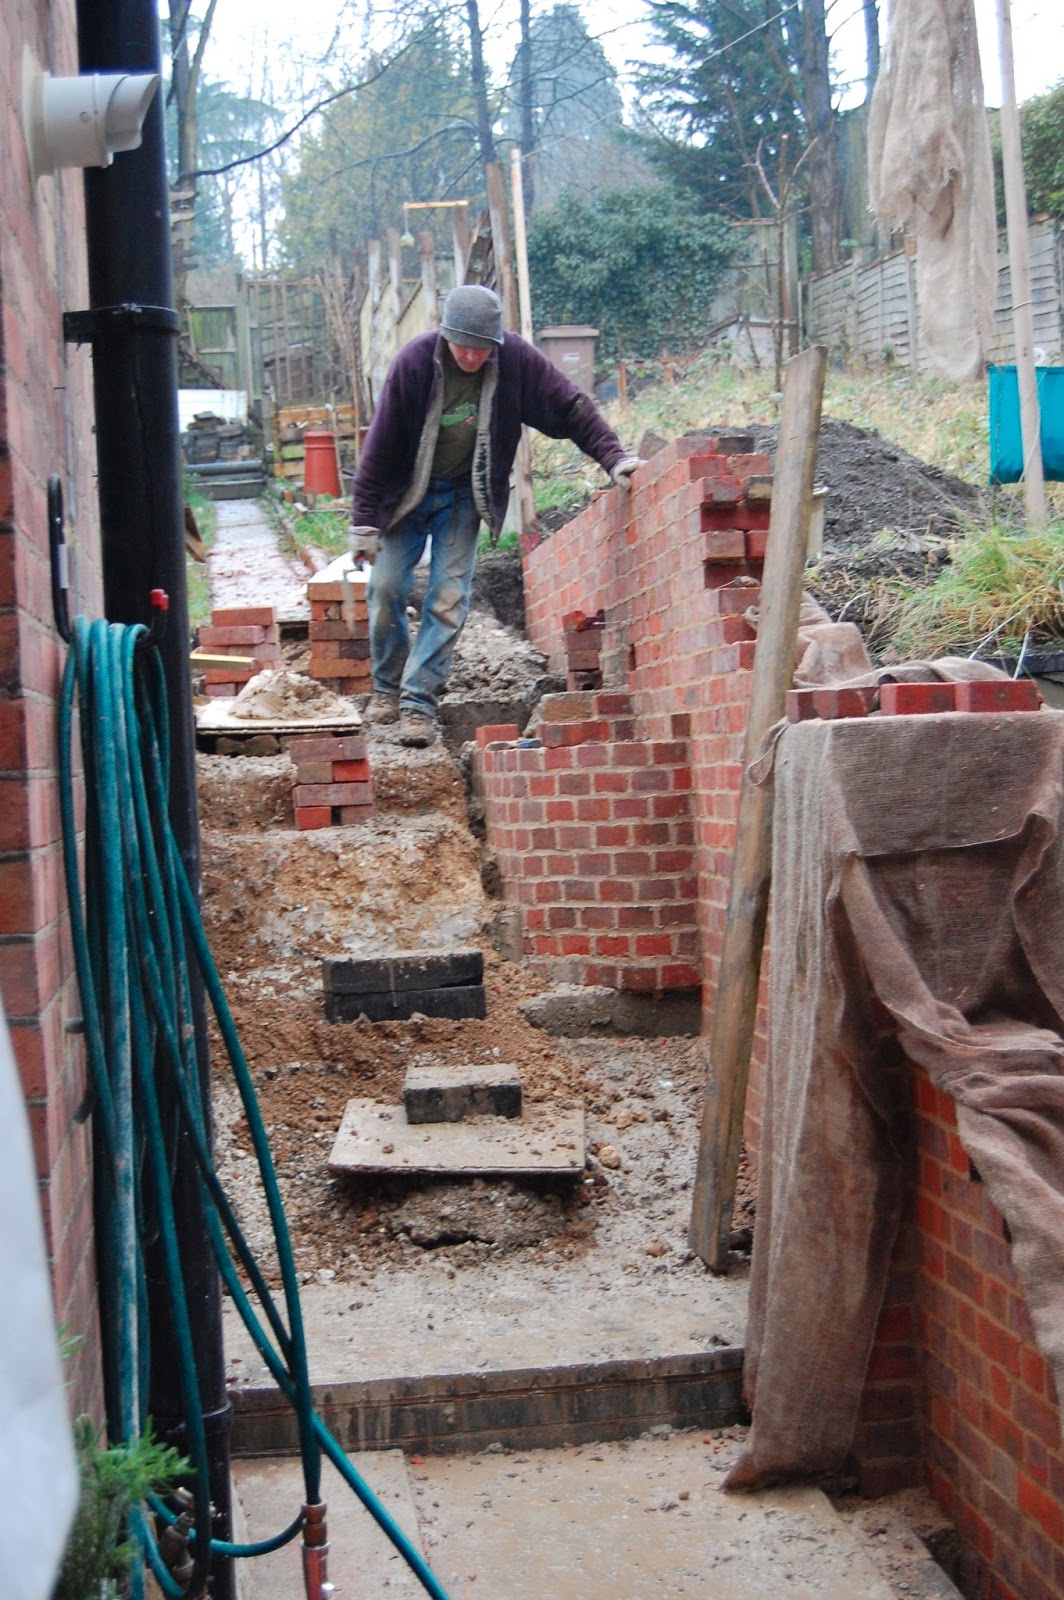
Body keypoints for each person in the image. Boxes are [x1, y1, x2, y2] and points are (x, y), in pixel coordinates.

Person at [349, 284, 643, 747]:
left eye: (481, 349)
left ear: (496, 344)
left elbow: (569, 405)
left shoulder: (516, 363)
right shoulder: (415, 363)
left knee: (448, 598)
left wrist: (614, 457)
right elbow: (380, 444)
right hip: (406, 496)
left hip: (465, 497)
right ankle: (385, 687)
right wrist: (364, 520)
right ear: (445, 335)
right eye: (462, 346)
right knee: (385, 589)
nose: (470, 357)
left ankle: (417, 704)